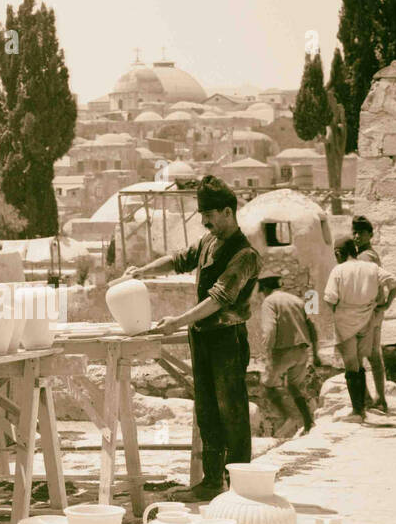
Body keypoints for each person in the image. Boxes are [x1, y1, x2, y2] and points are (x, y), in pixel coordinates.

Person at [123, 175, 260, 502]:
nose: (204, 222)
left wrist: (178, 322)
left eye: (209, 215)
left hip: (228, 338)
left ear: (228, 212)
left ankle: (241, 486)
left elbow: (219, 298)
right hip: (202, 338)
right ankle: (212, 481)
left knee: (232, 413)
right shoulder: (208, 243)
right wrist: (142, 271)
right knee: (207, 412)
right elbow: (177, 259)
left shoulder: (245, 255)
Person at [323, 237, 382, 421]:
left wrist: (337, 311)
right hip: (365, 320)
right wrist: (383, 304)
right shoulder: (369, 267)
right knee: (360, 363)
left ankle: (357, 411)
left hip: (345, 324)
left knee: (351, 366)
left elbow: (329, 298)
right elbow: (393, 282)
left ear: (339, 253)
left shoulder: (338, 270)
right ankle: (363, 406)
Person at [256, 275, 320, 437]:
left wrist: (267, 352)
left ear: (264, 289)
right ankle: (308, 422)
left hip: (282, 352)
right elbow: (312, 327)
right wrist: (316, 353)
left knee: (267, 386)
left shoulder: (269, 302)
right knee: (294, 386)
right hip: (302, 351)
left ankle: (289, 416)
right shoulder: (297, 300)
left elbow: (270, 329)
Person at [351, 215, 396, 412]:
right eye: (354, 232)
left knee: (357, 356)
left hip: (367, 313)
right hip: (374, 312)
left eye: (361, 233)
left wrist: (386, 303)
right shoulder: (369, 254)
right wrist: (385, 304)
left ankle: (370, 399)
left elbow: (390, 283)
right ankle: (379, 399)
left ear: (370, 235)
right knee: (373, 356)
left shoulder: (365, 257)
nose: (356, 236)